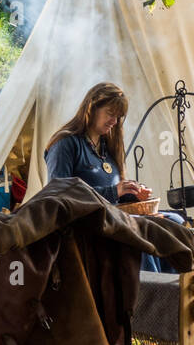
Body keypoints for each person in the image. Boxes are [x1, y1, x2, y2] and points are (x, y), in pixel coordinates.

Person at [44, 82, 179, 273]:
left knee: (173, 222)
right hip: (85, 226)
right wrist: (113, 191)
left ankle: (172, 292)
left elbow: (113, 196)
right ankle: (150, 296)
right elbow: (58, 195)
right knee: (139, 235)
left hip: (113, 219)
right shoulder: (66, 143)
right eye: (110, 113)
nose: (114, 121)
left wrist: (132, 194)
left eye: (118, 117)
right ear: (91, 108)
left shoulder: (107, 148)